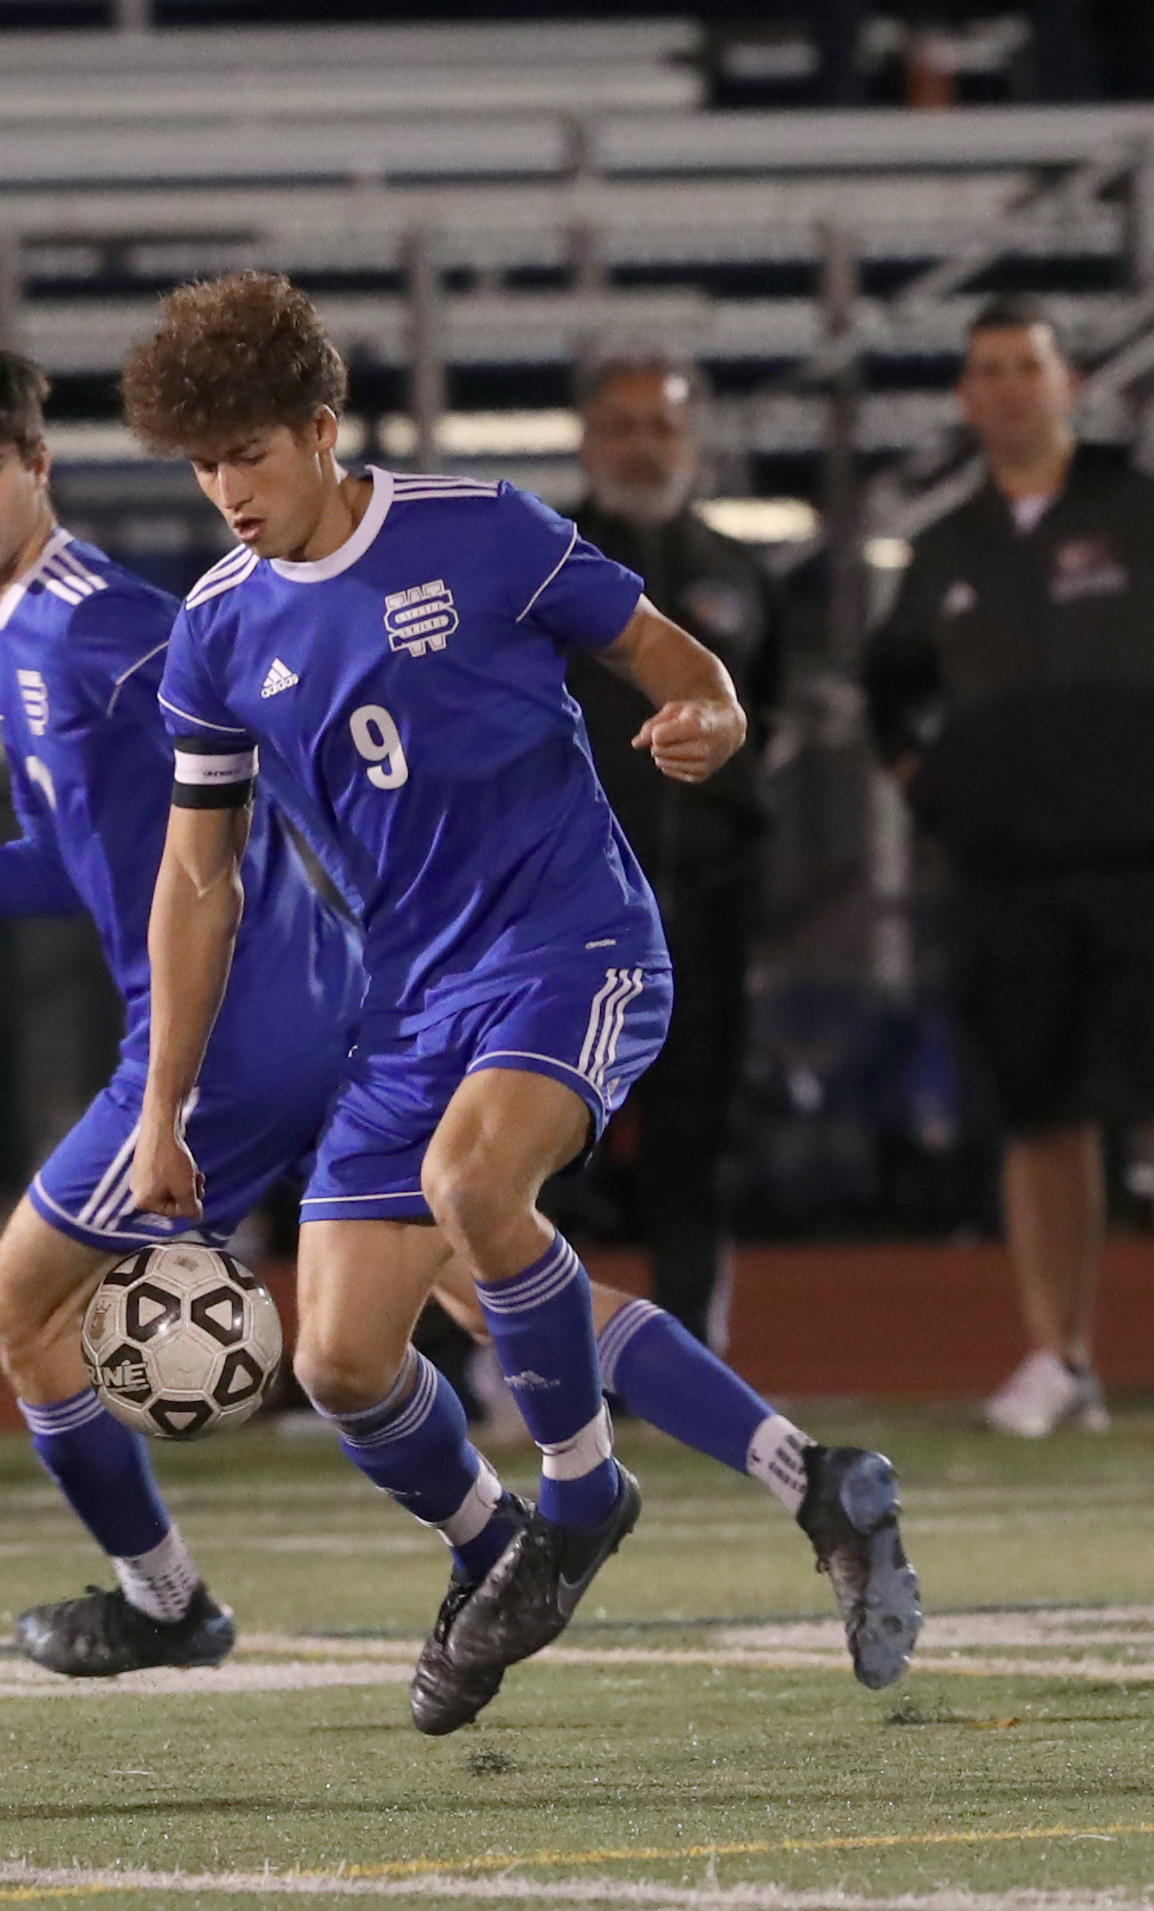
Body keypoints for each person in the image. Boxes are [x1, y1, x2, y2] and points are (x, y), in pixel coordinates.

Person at [122, 272, 920, 1734]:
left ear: (321, 427)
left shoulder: (479, 527)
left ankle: (575, 1501)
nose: (226, 489)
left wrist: (711, 714)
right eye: (201, 463)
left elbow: (679, 660)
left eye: (248, 452)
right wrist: (161, 1104)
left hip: (572, 946)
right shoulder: (215, 631)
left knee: (476, 1189)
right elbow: (196, 880)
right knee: (343, 1356)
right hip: (411, 1005)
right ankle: (766, 1491)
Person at [0, 337, 363, 1676]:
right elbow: (70, 863)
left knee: (16, 1310)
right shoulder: (26, 639)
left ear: (39, 464)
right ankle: (749, 1475)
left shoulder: (94, 625)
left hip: (220, 1042)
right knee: (453, 1278)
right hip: (301, 1014)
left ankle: (168, 1600)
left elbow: (266, 716)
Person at [864, 293, 1154, 1437]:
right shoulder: (942, 549)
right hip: (1010, 879)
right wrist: (934, 789)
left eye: (1026, 366)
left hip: (1143, 862)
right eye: (986, 369)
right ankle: (1059, 1357)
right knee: (1040, 1115)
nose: (1007, 388)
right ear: (963, 396)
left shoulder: (1137, 511)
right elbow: (891, 695)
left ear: (1069, 384)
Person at [561, 354, 781, 1349]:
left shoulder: (740, 573)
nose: (643, 447)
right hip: (562, 906)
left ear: (693, 441)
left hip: (703, 901)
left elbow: (764, 720)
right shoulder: (536, 566)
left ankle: (690, 1349)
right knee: (540, 1135)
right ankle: (526, 1356)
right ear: (587, 439)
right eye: (623, 425)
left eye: (662, 426)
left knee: (698, 1130)